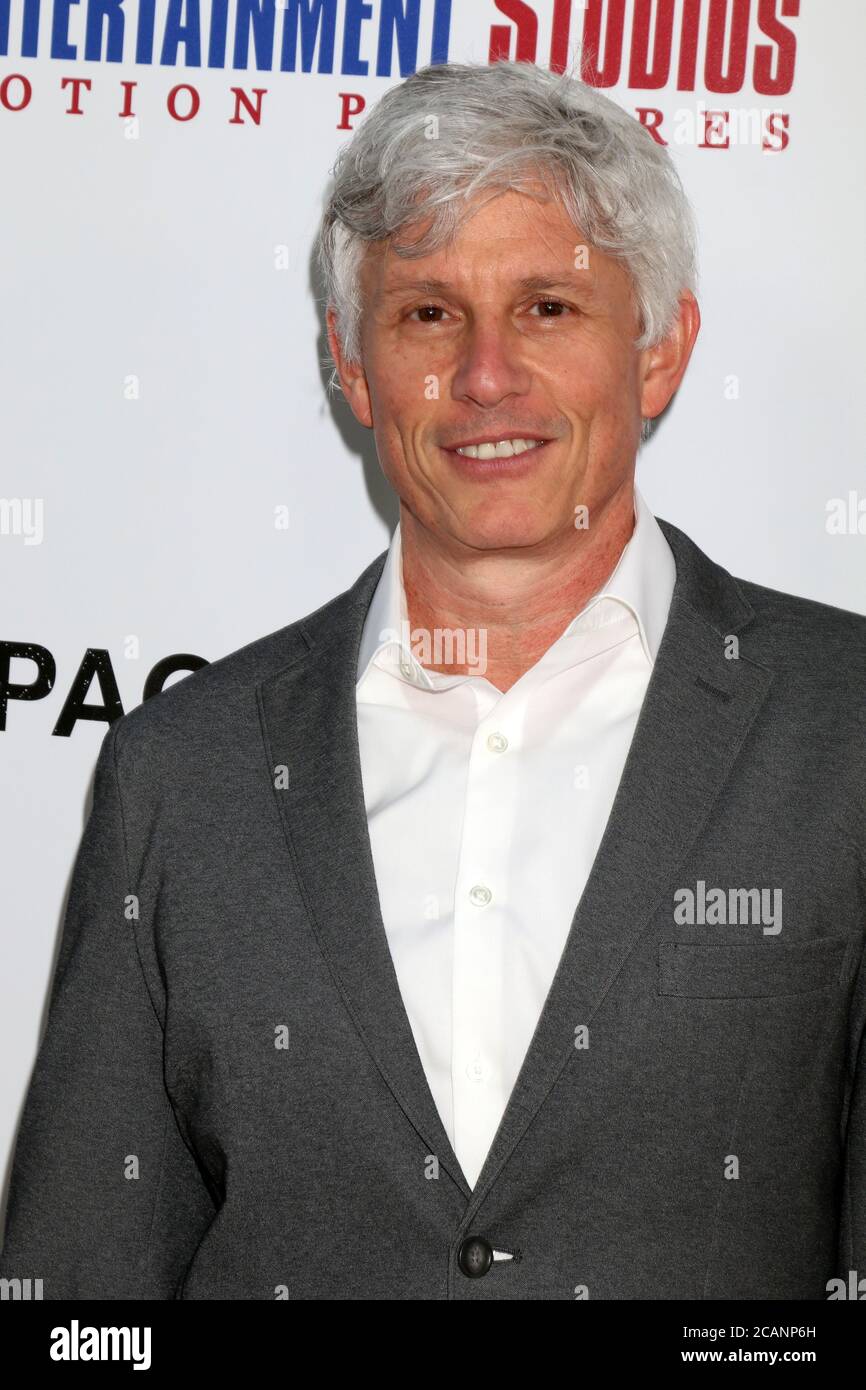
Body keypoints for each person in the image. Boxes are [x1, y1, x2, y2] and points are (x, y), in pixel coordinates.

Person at [1, 60, 864, 1301]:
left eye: (548, 308)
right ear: (352, 371)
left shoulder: (840, 727)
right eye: (426, 314)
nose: (484, 378)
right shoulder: (178, 772)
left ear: (661, 350)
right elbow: (81, 1299)